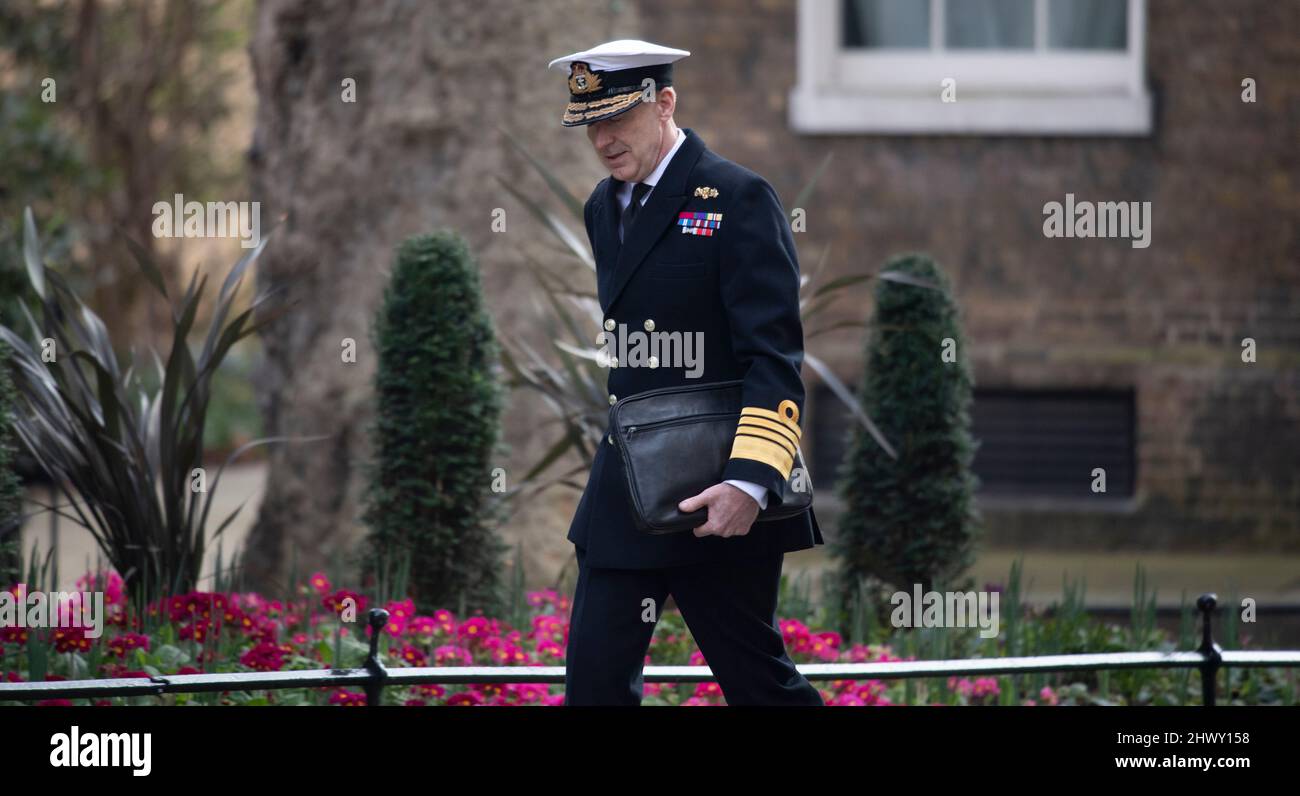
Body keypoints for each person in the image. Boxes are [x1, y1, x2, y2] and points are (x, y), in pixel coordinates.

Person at [549, 39, 825, 706]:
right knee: (593, 685)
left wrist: (750, 483)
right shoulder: (601, 206)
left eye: (617, 118)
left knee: (760, 686)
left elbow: (775, 358)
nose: (603, 139)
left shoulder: (739, 197)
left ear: (664, 103)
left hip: (718, 492)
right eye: (592, 123)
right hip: (628, 487)